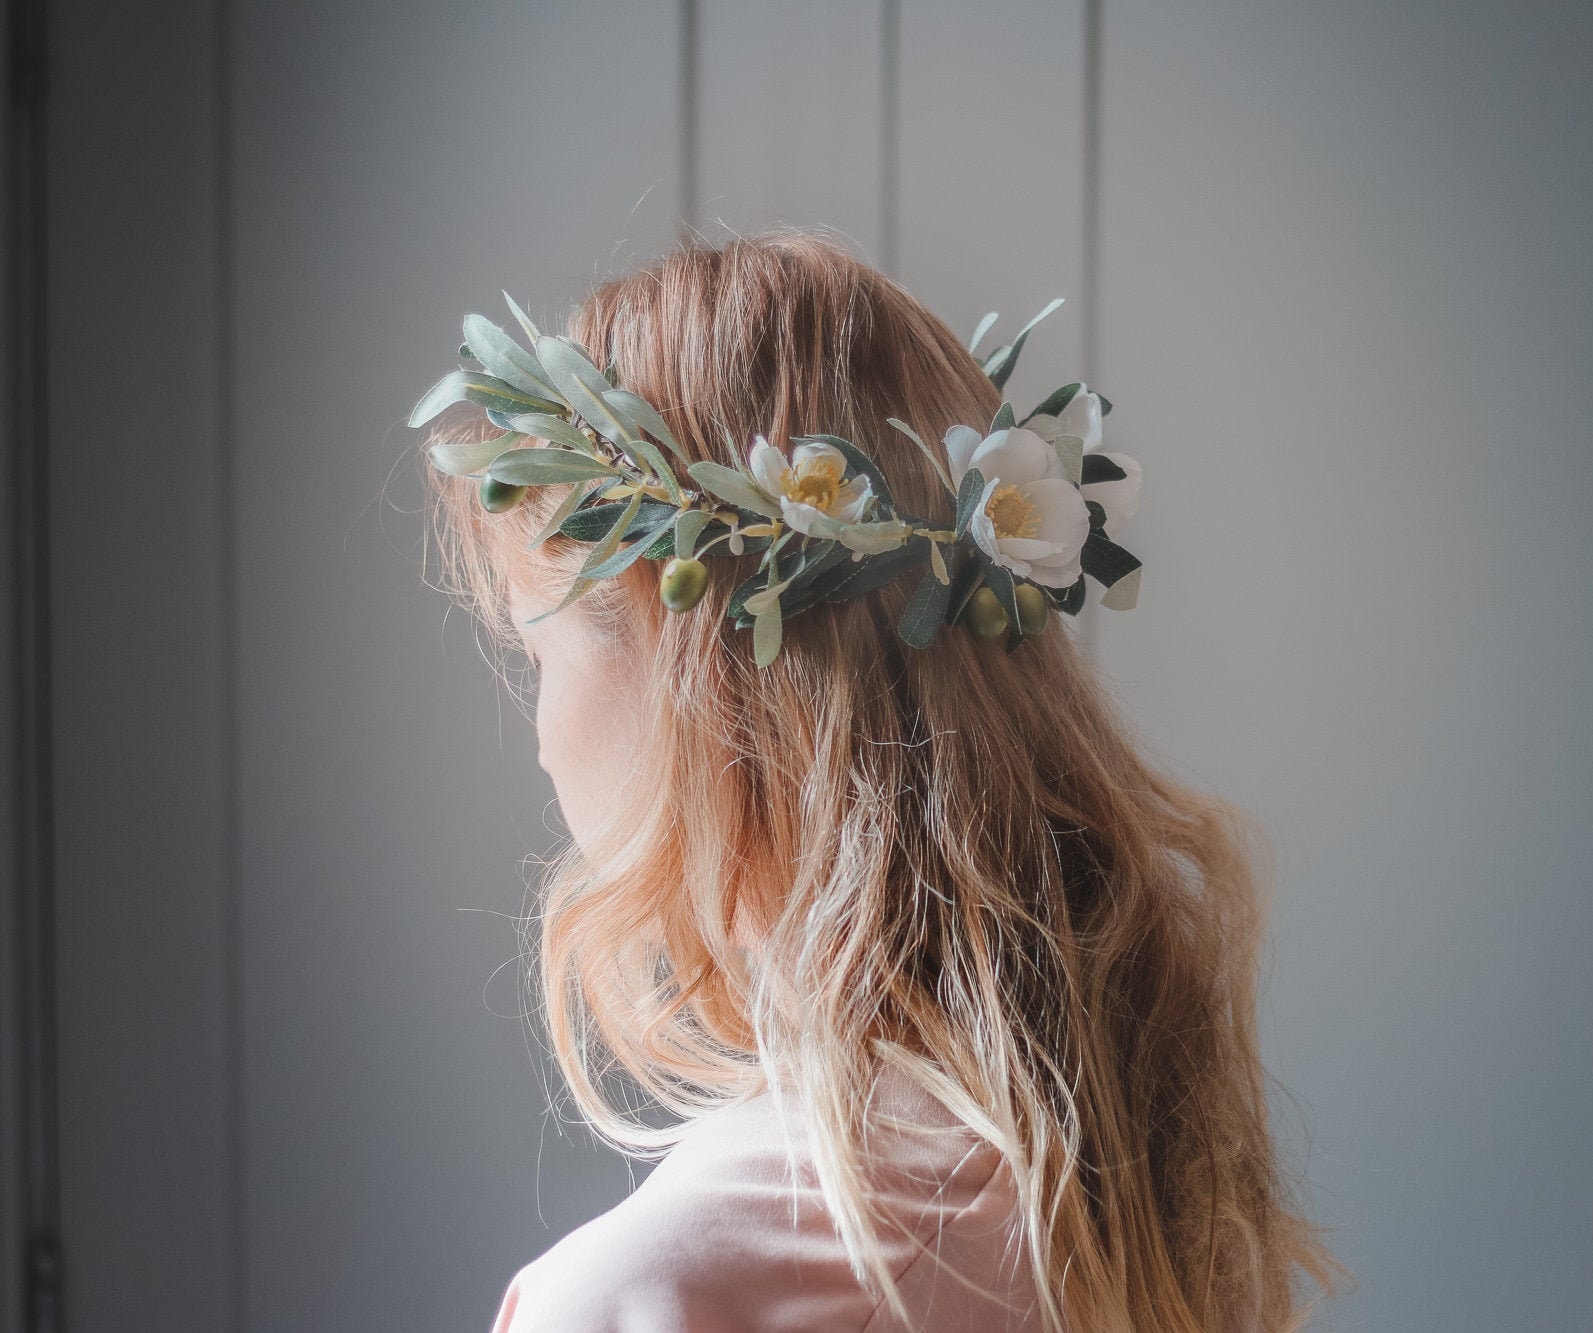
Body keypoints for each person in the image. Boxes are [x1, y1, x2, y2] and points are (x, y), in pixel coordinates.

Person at [421, 228, 1343, 1331]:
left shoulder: (643, 1300)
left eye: (540, 653)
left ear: (694, 685)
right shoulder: (1145, 1192)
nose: (538, 736)